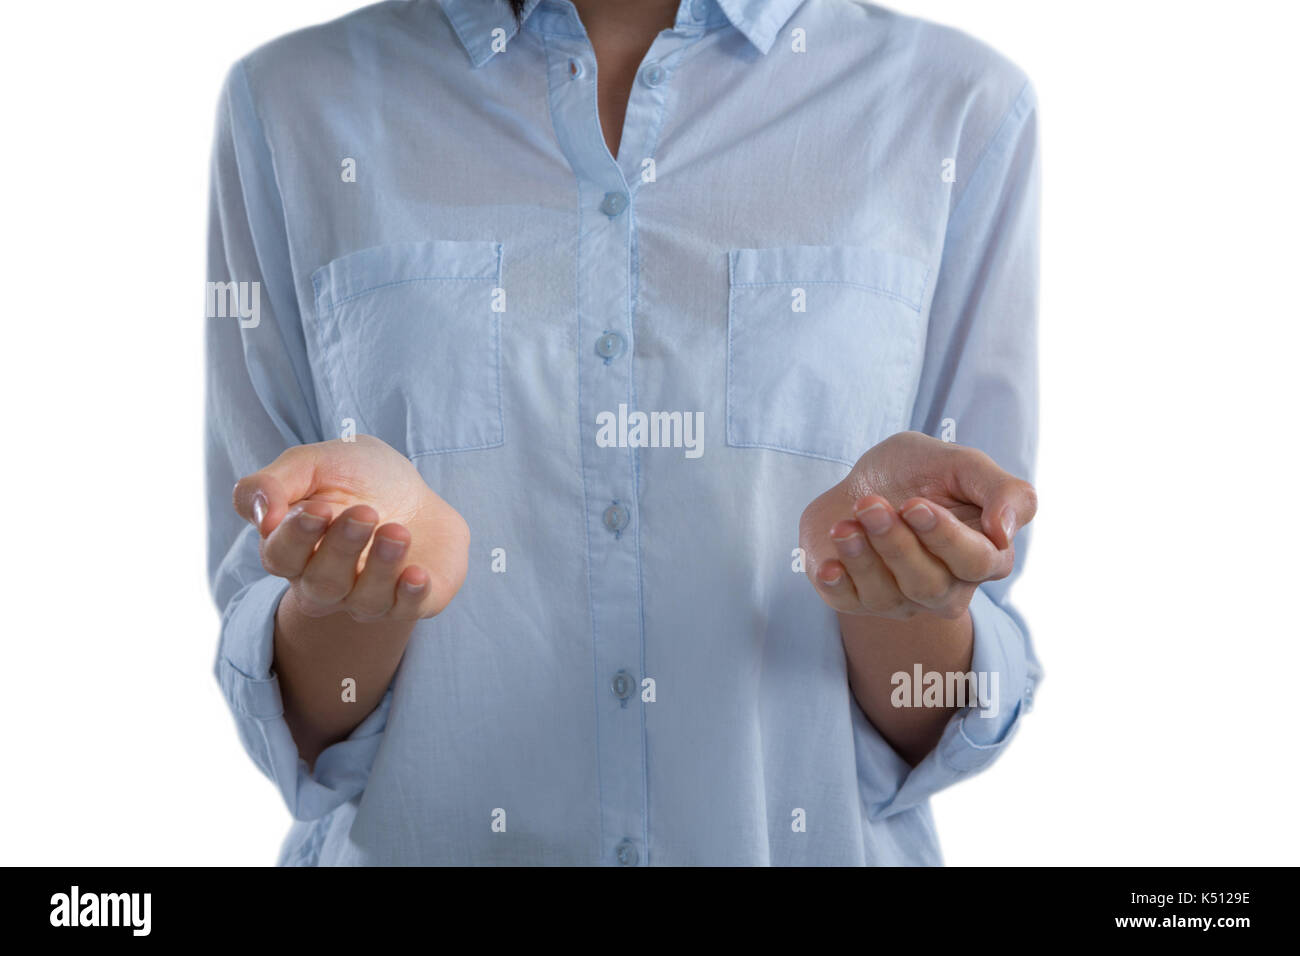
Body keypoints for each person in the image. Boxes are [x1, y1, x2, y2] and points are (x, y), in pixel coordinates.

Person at [206, 0, 1040, 866]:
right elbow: (289, 714)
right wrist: (351, 592)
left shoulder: (959, 108)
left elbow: (937, 714)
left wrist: (911, 591)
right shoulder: (291, 104)